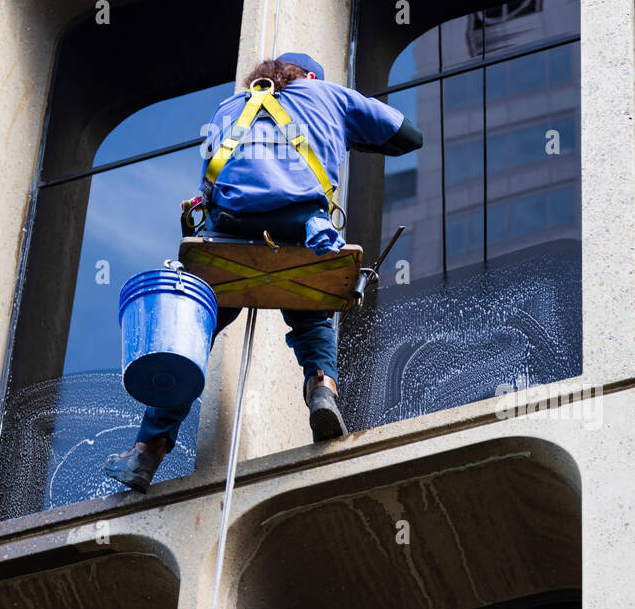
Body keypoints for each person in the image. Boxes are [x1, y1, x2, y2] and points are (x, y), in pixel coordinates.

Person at [104, 52, 422, 493]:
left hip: (228, 233)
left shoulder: (228, 108)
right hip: (302, 225)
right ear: (310, 77)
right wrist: (345, 131)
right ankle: (321, 389)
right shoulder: (329, 95)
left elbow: (210, 181)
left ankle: (146, 452)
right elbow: (408, 136)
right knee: (311, 309)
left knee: (193, 337)